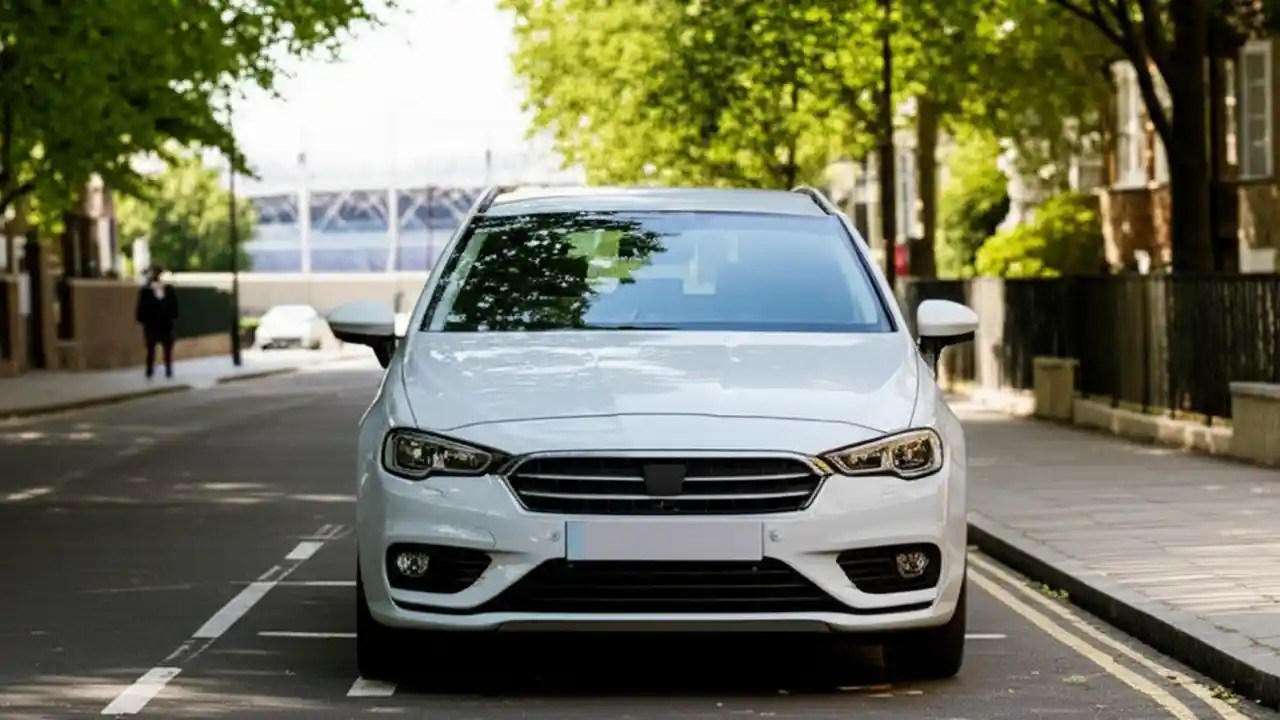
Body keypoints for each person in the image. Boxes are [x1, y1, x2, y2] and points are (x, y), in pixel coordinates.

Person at [135, 265, 179, 379]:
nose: (156, 276)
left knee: (167, 349)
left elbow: (174, 306)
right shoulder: (145, 291)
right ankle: (149, 370)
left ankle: (168, 370)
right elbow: (141, 307)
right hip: (152, 324)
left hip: (166, 324)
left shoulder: (168, 290)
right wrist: (143, 320)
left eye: (158, 273)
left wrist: (172, 317)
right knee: (150, 349)